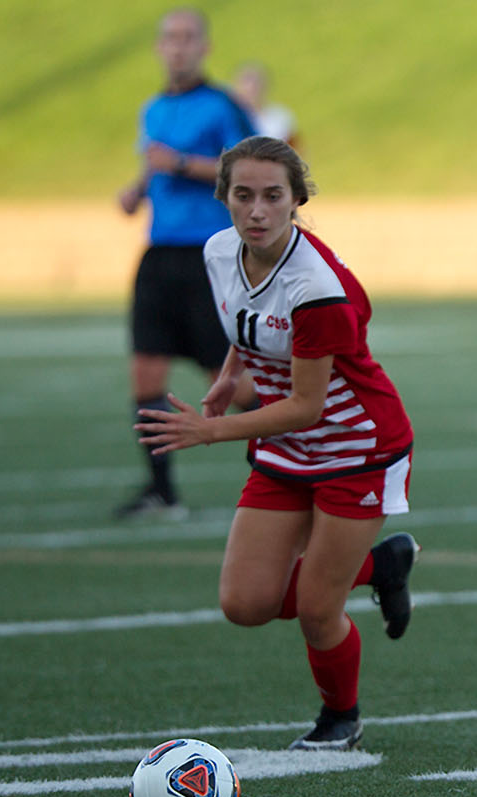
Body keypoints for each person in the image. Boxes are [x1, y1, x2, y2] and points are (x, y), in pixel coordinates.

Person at [136, 136, 418, 749]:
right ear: (225, 198)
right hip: (288, 448)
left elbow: (306, 406)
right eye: (243, 195)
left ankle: (339, 718)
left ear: (296, 201)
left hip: (356, 446)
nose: (256, 210)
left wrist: (210, 429)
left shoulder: (314, 286)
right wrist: (232, 375)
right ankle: (381, 565)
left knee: (319, 609)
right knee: (244, 602)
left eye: (272, 196)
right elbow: (248, 322)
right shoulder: (218, 252)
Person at [115, 7, 256, 520]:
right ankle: (162, 491)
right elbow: (150, 165)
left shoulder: (223, 105)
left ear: (205, 47)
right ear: (159, 47)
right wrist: (136, 190)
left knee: (229, 380)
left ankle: (294, 463)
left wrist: (178, 164)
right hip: (158, 253)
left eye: (187, 38)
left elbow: (252, 165)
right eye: (169, 38)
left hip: (206, 254)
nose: (177, 46)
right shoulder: (152, 107)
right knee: (145, 373)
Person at [233, 61, 301, 148]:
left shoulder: (281, 117)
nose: (251, 88)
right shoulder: (228, 119)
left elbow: (295, 152)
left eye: (256, 83)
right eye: (246, 82)